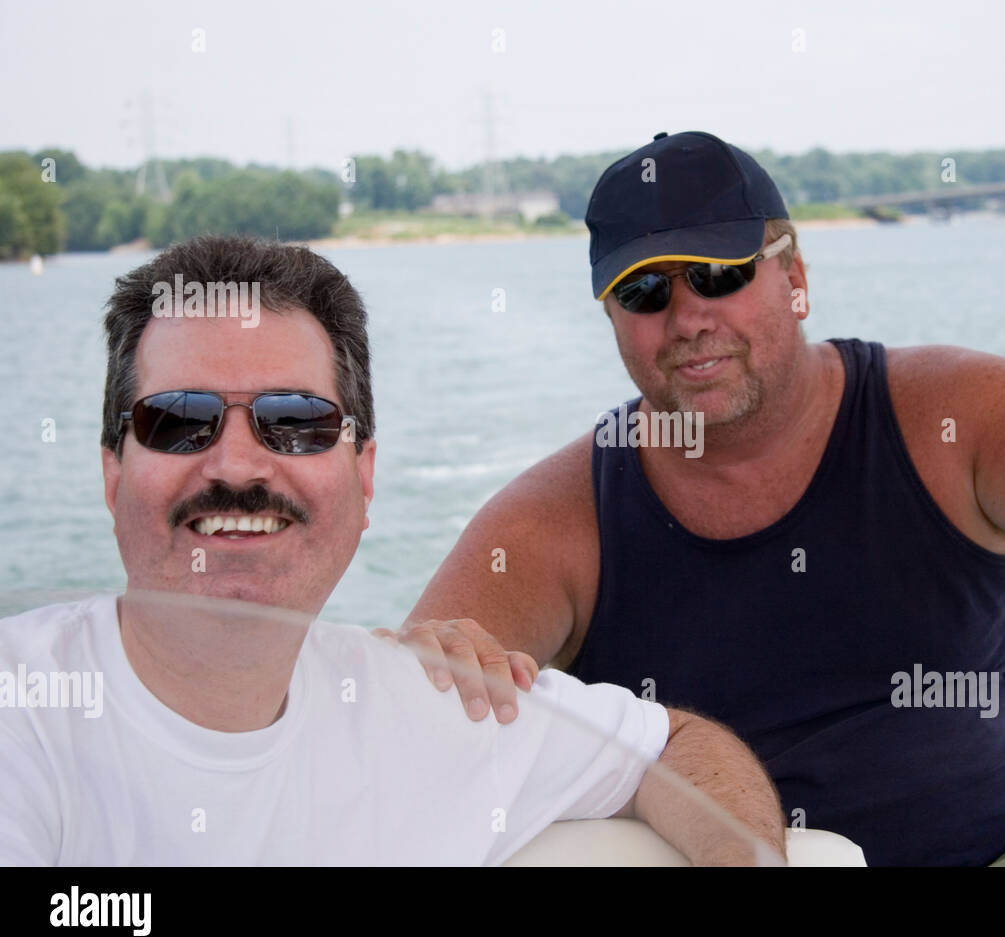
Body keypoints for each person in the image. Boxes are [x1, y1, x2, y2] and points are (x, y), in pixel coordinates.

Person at [406, 130, 1005, 866]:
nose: (687, 318)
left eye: (719, 273)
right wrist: (431, 663)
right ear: (610, 318)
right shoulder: (561, 519)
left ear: (794, 277)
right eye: (644, 291)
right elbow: (407, 720)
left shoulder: (943, 413)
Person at [0, 234, 785, 866]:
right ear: (112, 472)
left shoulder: (431, 710)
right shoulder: (25, 718)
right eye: (178, 420)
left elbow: (678, 747)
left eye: (296, 421)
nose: (237, 465)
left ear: (364, 475)